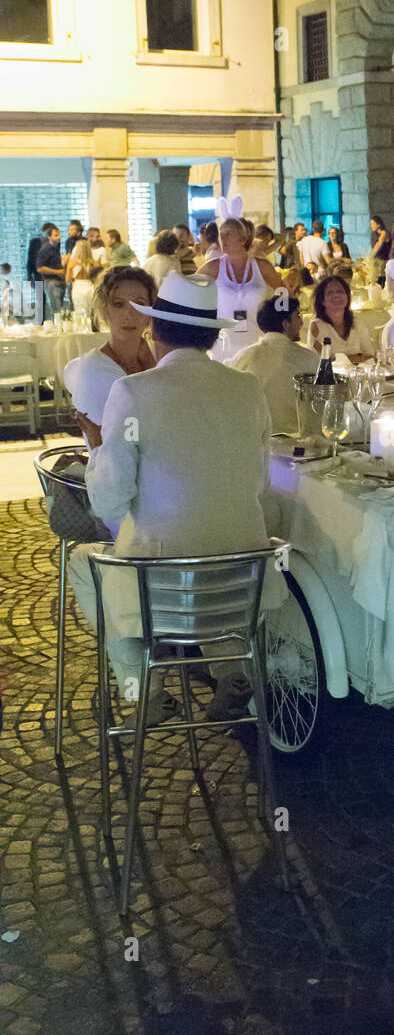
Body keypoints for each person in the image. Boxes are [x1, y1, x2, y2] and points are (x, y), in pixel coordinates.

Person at [68, 273, 286, 725]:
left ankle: (145, 690)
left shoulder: (131, 391)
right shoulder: (247, 389)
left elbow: (109, 499)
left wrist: (98, 451)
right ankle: (232, 670)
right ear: (211, 335)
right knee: (211, 540)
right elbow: (258, 482)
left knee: (83, 563)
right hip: (242, 586)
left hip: (162, 593)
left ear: (155, 328)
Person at [64, 267, 158, 448]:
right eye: (118, 304)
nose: (129, 314)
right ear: (104, 311)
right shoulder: (94, 370)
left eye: (139, 304)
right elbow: (121, 445)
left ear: (150, 314)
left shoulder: (151, 361)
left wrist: (150, 365)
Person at [198, 216, 282, 364]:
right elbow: (189, 295)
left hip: (258, 346)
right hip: (222, 348)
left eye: (228, 234)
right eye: (221, 235)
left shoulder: (262, 267)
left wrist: (278, 324)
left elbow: (286, 299)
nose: (222, 239)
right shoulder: (213, 267)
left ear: (243, 239)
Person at [230, 294, 317, 434]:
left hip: (254, 438)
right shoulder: (308, 358)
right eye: (297, 316)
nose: (301, 323)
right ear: (285, 324)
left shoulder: (243, 357)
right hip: (299, 440)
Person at [307, 275, 375, 363]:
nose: (336, 295)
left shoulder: (357, 323)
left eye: (340, 291)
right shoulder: (317, 327)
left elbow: (371, 356)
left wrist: (352, 358)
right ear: (322, 300)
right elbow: (322, 362)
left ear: (347, 297)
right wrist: (357, 358)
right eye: (330, 292)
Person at [36, 224, 67, 317]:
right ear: (49, 237)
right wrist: (58, 272)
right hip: (51, 282)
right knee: (56, 310)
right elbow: (40, 268)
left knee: (61, 309)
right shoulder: (45, 250)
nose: (59, 237)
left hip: (61, 281)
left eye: (59, 235)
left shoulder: (57, 247)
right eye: (56, 235)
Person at [65, 233, 100, 314]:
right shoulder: (93, 263)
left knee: (79, 312)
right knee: (91, 311)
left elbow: (67, 279)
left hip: (77, 287)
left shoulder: (72, 262)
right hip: (90, 287)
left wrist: (73, 281)